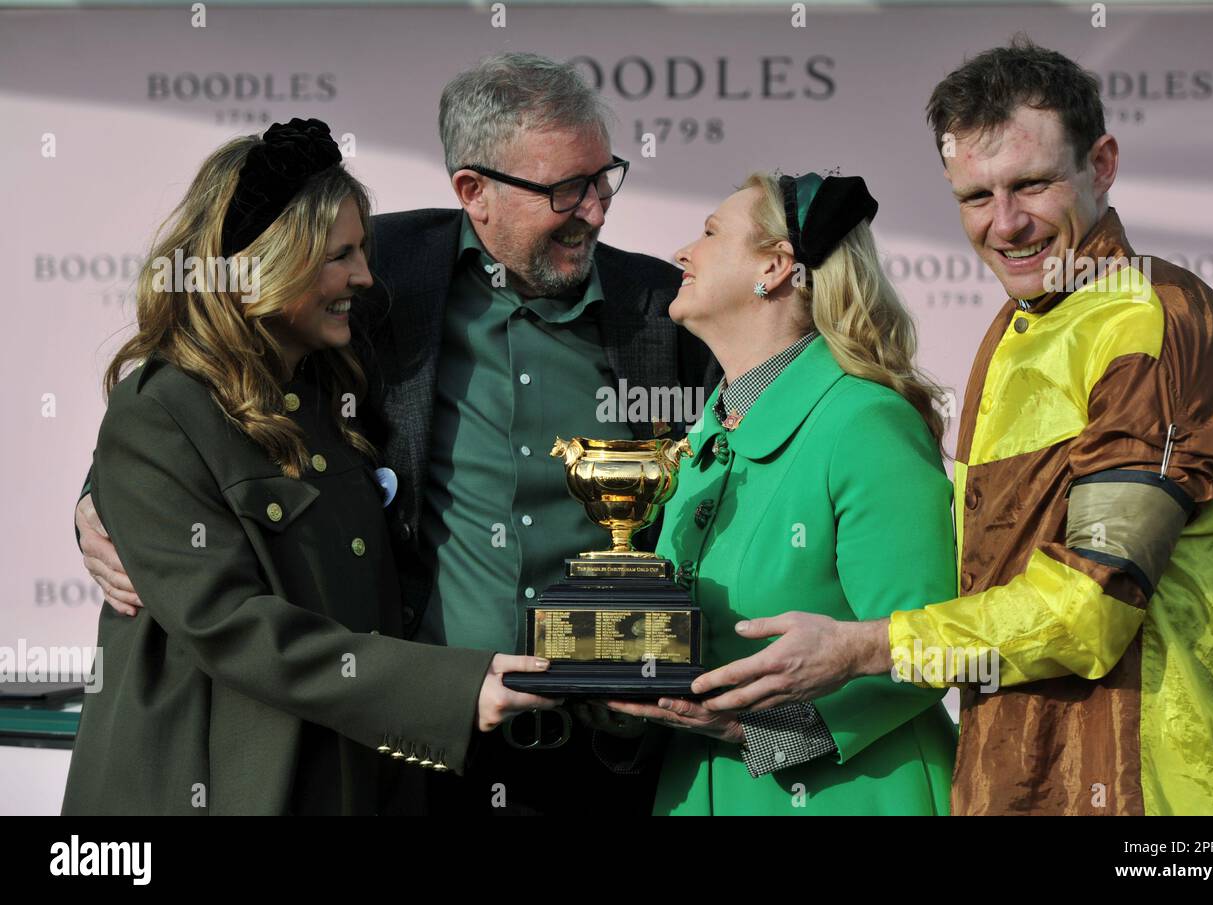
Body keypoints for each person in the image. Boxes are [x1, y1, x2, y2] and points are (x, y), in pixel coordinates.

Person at [74, 54, 719, 816]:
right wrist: (96, 503)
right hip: (416, 754)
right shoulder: (384, 278)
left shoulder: (663, 309)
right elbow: (198, 398)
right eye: (563, 190)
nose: (595, 209)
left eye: (603, 177)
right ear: (473, 192)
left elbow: (739, 468)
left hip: (599, 758)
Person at [688, 38, 1213, 816]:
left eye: (1032, 185)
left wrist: (863, 647)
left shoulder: (1148, 319)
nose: (1005, 224)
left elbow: (1090, 608)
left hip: (1148, 805)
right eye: (976, 197)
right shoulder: (1018, 329)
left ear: (1102, 163)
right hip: (1009, 787)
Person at [63, 118, 557, 816]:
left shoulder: (336, 386)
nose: (364, 275)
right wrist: (448, 688)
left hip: (352, 776)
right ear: (265, 263)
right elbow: (233, 623)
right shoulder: (164, 410)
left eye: (363, 250)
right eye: (338, 256)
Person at [605, 172, 958, 815]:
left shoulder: (865, 423)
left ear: (773, 267)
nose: (683, 253)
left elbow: (930, 648)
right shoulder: (702, 438)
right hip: (697, 788)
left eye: (710, 234)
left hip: (853, 797)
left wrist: (763, 732)